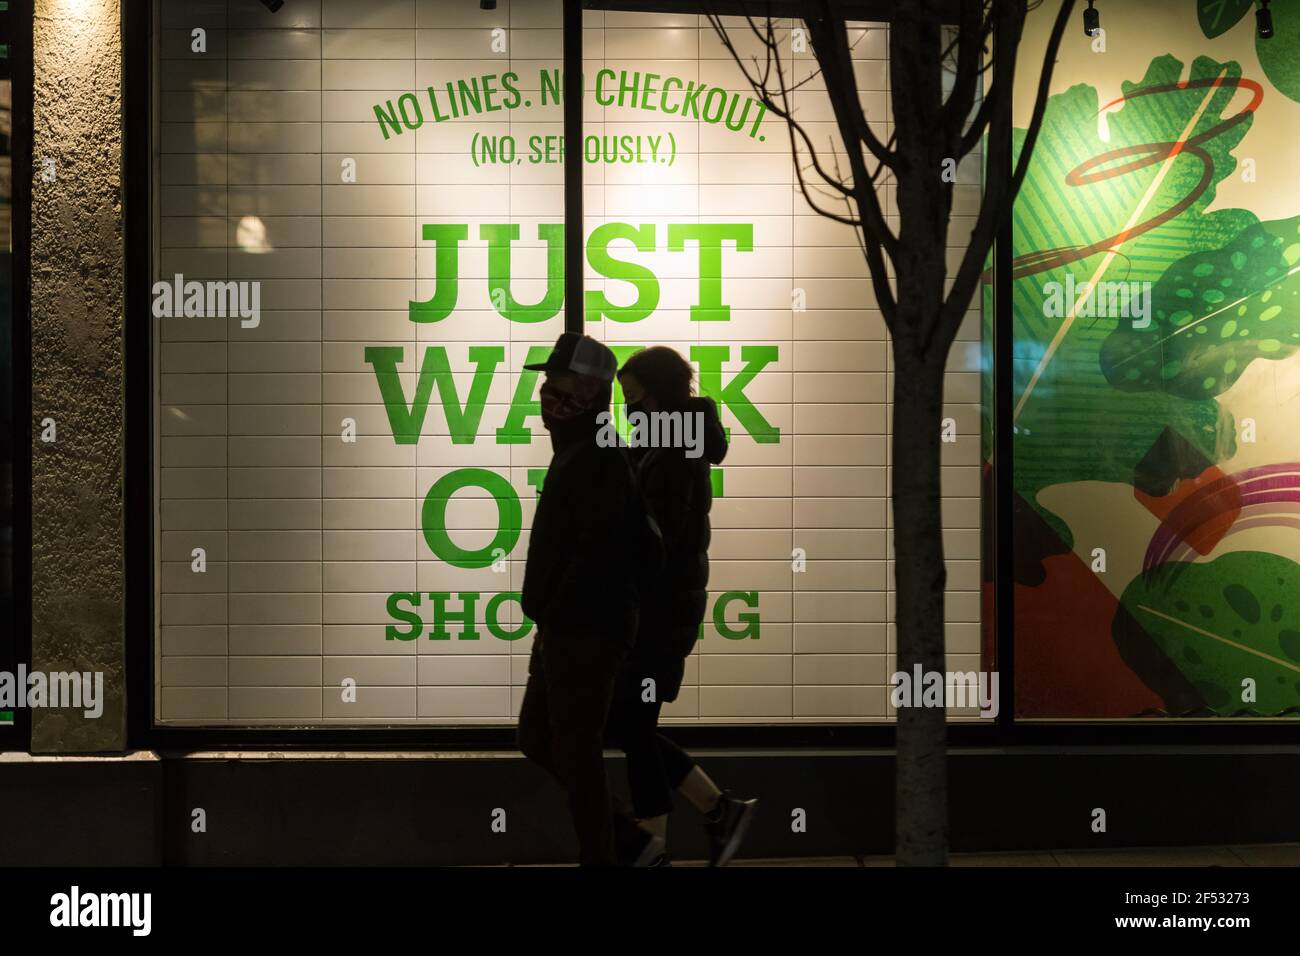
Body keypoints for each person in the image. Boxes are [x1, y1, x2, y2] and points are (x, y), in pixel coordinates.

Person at [606, 346, 759, 866]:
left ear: (659, 393)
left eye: (633, 396)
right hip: (662, 609)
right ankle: (714, 812)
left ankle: (654, 845)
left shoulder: (673, 453)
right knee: (631, 726)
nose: (628, 408)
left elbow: (657, 539)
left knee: (631, 726)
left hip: (657, 614)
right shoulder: (666, 443)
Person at [515, 331, 663, 867]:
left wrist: (559, 610)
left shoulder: (596, 457)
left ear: (586, 395)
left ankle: (606, 858)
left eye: (557, 386)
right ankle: (630, 839)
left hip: (585, 629)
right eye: (548, 385)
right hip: (569, 625)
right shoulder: (580, 450)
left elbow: (595, 549)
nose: (546, 397)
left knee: (576, 750)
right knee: (538, 737)